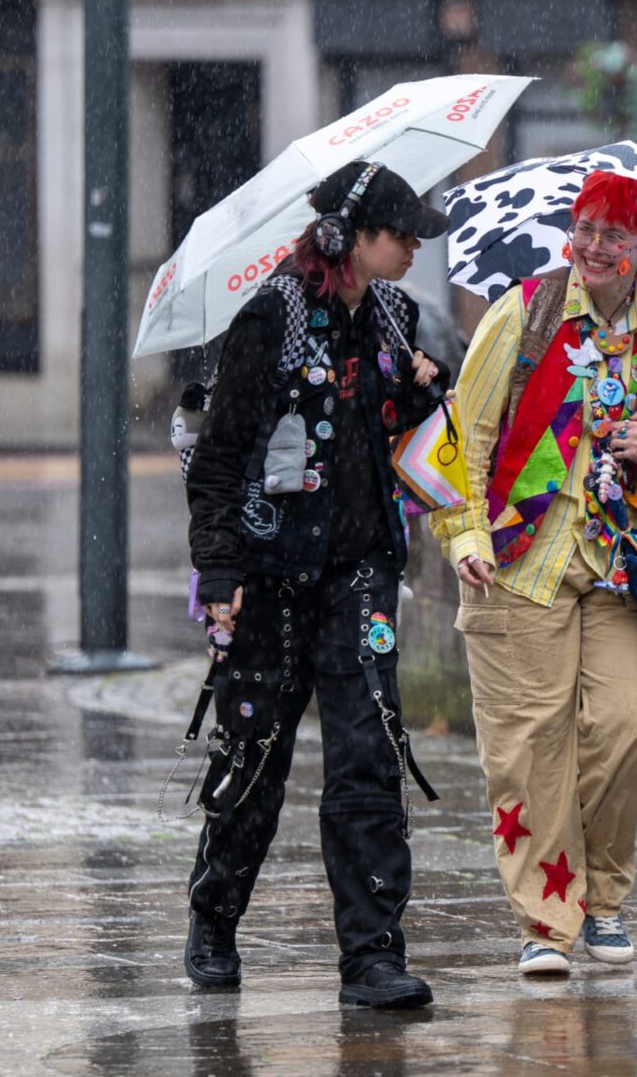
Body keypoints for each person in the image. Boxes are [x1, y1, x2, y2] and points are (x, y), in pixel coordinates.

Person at [432, 171, 637, 976]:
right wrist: (463, 536)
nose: (593, 246)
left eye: (614, 237)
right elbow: (465, 433)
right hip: (519, 561)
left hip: (624, 564)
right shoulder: (527, 311)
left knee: (630, 730)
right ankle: (545, 922)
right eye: (585, 227)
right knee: (529, 748)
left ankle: (602, 895)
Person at [181, 160, 450, 1009]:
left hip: (361, 570)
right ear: (349, 236)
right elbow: (220, 458)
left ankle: (372, 954)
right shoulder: (272, 318)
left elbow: (398, 444)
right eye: (400, 235)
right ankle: (214, 916)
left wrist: (420, 395)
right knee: (254, 754)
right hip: (271, 574)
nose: (412, 248)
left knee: (370, 750)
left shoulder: (396, 320)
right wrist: (220, 569)